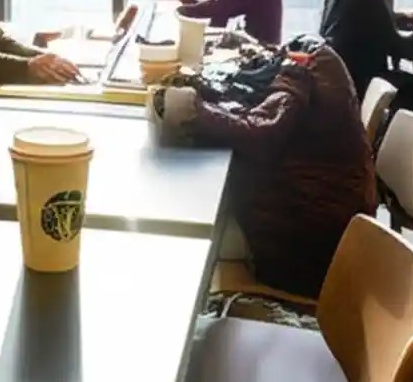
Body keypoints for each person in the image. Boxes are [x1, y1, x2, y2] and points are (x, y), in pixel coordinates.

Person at [158, 41, 376, 297]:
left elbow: (260, 133)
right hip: (332, 230)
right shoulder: (325, 68)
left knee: (188, 231)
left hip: (301, 246)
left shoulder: (301, 76)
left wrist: (191, 110)